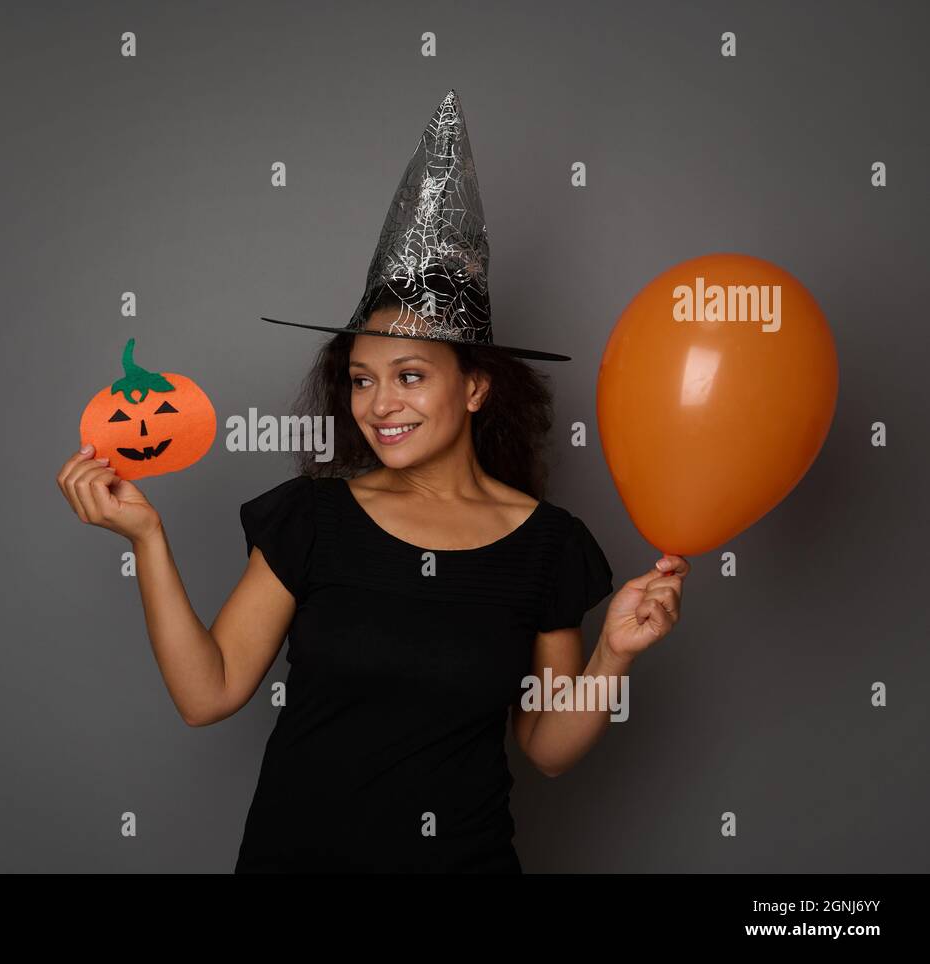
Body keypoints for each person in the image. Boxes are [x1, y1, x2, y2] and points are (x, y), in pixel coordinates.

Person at [56, 89, 689, 872]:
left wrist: (614, 657)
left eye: (411, 376)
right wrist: (147, 539)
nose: (379, 405)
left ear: (477, 387)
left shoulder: (549, 547)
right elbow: (207, 693)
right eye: (360, 380)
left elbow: (549, 749)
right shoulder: (314, 519)